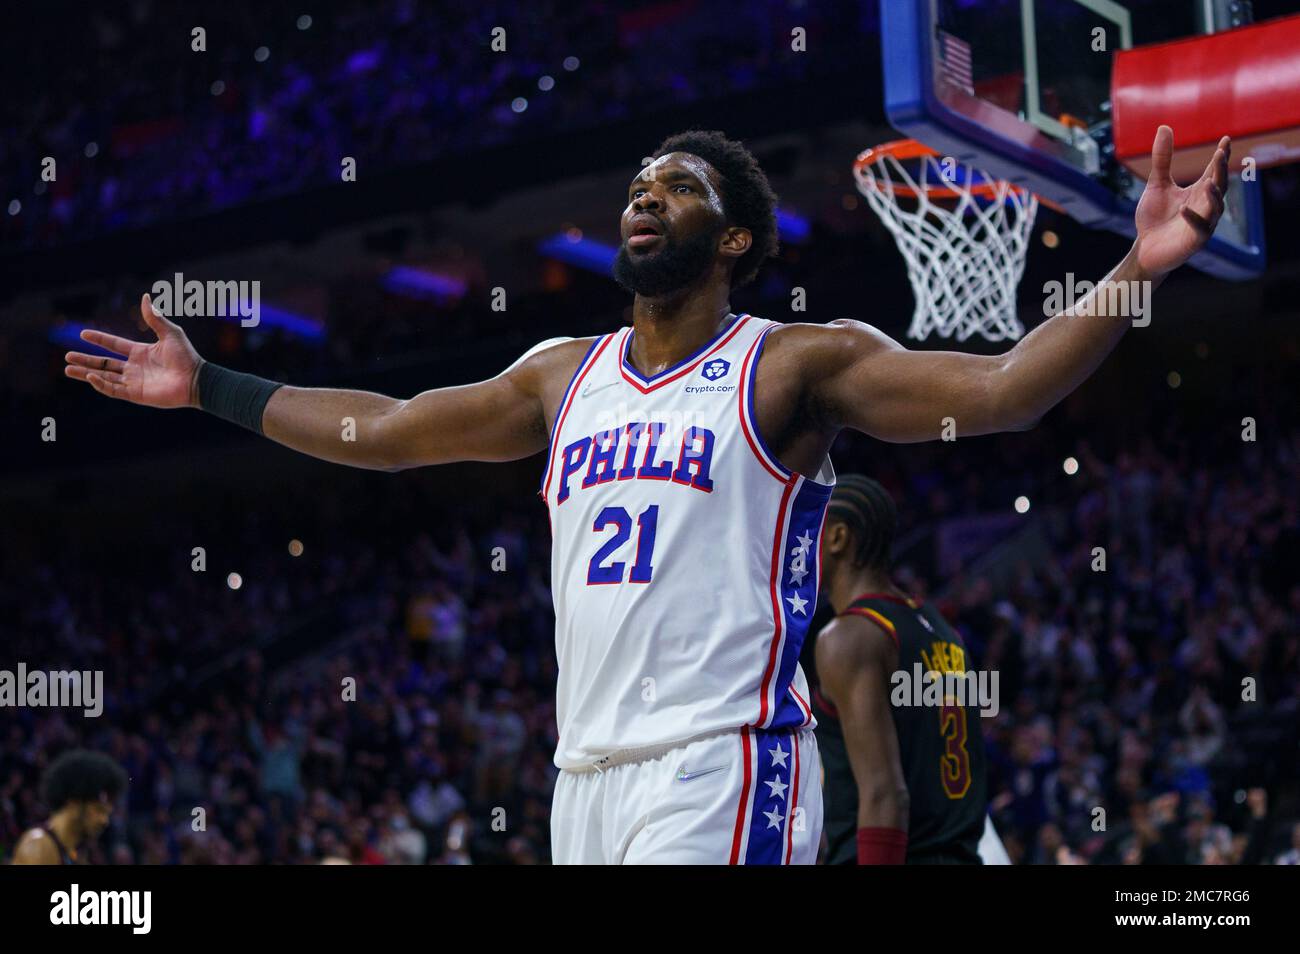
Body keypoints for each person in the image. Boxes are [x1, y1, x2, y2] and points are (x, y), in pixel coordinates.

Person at [65, 127, 1232, 864]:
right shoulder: (558, 375)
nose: (643, 195)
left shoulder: (795, 363)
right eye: (636, 183)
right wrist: (209, 385)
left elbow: (1005, 390)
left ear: (730, 237)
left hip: (720, 762)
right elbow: (390, 431)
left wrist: (1138, 269)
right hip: (584, 779)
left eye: (674, 186)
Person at [812, 475, 986, 864]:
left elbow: (884, 793)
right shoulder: (944, 631)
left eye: (810, 526)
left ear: (838, 538)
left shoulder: (848, 636)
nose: (798, 541)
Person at [11, 750, 127, 865]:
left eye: (107, 813)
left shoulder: (72, 854)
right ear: (74, 803)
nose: (104, 820)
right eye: (98, 810)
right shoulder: (38, 846)